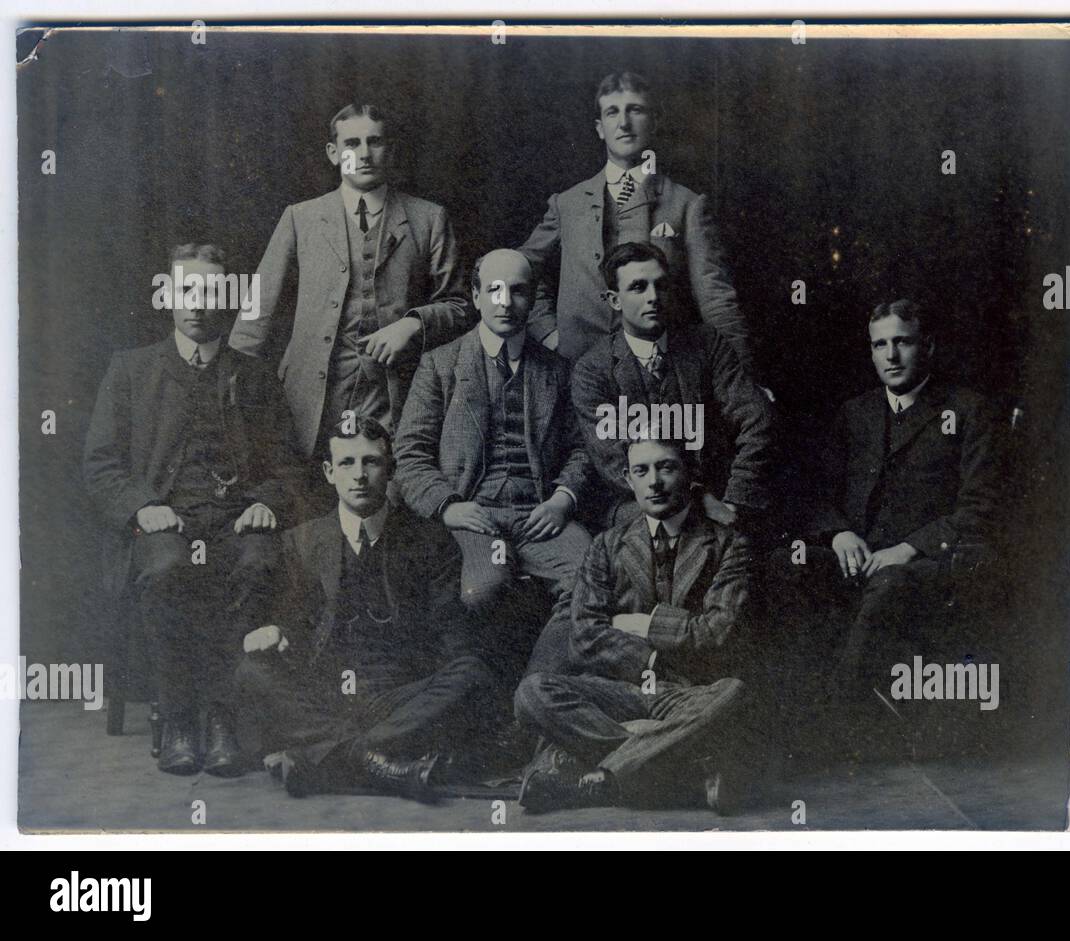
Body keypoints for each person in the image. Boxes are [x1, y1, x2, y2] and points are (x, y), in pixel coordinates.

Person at [84, 242, 298, 776]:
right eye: (186, 291)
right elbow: (102, 463)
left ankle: (224, 718)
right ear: (168, 296)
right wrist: (142, 507)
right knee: (168, 569)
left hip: (234, 520)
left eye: (210, 292)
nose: (198, 304)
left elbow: (290, 466)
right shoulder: (131, 370)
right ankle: (179, 717)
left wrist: (266, 503)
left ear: (228, 300)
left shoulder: (254, 376)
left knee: (257, 564)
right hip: (167, 521)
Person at [236, 418, 496, 801]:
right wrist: (277, 633)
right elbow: (294, 626)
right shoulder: (301, 541)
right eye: (346, 464)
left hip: (400, 698)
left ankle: (325, 756)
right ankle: (368, 760)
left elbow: (451, 634)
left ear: (390, 470)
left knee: (472, 673)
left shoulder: (429, 540)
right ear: (329, 472)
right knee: (250, 671)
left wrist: (447, 689)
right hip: (324, 693)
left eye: (371, 462)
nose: (359, 475)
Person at [514, 436, 754, 814]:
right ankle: (673, 768)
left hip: (687, 692)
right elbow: (585, 636)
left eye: (667, 467)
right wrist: (654, 660)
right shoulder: (607, 546)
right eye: (642, 471)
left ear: (689, 474)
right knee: (533, 692)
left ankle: (604, 778)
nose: (654, 481)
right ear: (629, 480)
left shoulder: (728, 545)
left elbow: (718, 632)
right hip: (617, 689)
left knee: (733, 693)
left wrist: (645, 624)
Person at [785, 298, 1003, 704]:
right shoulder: (855, 413)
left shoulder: (967, 410)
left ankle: (832, 719)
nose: (891, 355)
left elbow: (981, 507)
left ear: (928, 346)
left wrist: (908, 549)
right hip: (858, 556)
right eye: (879, 344)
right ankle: (782, 711)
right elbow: (818, 492)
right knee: (785, 569)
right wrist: (839, 534)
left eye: (902, 342)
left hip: (926, 563)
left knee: (887, 587)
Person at [230, 103, 472, 461]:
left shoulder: (428, 218)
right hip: (312, 395)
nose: (363, 154)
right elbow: (257, 307)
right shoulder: (301, 218)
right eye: (351, 144)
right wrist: (234, 376)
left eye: (374, 142)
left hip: (394, 394)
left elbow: (460, 306)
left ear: (390, 151)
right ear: (333, 153)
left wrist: (413, 324)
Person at [393, 249, 593, 655]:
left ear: (532, 297)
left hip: (540, 515)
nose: (505, 302)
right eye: (495, 290)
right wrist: (447, 506)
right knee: (481, 591)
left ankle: (539, 690)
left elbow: (582, 449)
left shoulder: (558, 370)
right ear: (476, 295)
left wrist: (561, 499)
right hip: (474, 515)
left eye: (518, 291)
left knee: (592, 583)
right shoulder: (440, 364)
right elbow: (409, 452)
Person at [517, 72, 756, 374]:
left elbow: (716, 300)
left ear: (654, 121)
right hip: (575, 372)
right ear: (599, 128)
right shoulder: (567, 203)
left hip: (659, 377)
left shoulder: (686, 204)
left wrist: (743, 378)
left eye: (636, 110)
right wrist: (548, 332)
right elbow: (520, 270)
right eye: (612, 112)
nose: (624, 124)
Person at [571, 241, 773, 527]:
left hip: (722, 498)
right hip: (638, 503)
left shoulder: (707, 344)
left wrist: (736, 498)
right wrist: (694, 496)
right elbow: (614, 463)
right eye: (638, 288)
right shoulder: (592, 370)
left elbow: (758, 419)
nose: (653, 297)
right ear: (614, 300)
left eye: (661, 286)